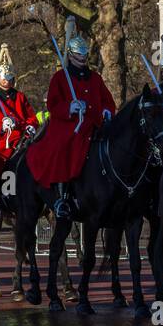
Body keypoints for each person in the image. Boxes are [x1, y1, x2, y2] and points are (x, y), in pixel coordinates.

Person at [24, 19, 115, 220]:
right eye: (78, 56)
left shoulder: (95, 78)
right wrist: (70, 107)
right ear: (71, 56)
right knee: (63, 147)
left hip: (93, 124)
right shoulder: (60, 78)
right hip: (68, 126)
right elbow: (53, 106)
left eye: (84, 55)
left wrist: (108, 112)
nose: (82, 59)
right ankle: (62, 196)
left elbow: (107, 100)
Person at [0, 45, 37, 219]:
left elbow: (31, 117)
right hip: (2, 140)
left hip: (22, 137)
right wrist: (1, 126)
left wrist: (29, 125)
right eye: (4, 78)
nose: (7, 81)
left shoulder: (20, 97)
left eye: (10, 78)